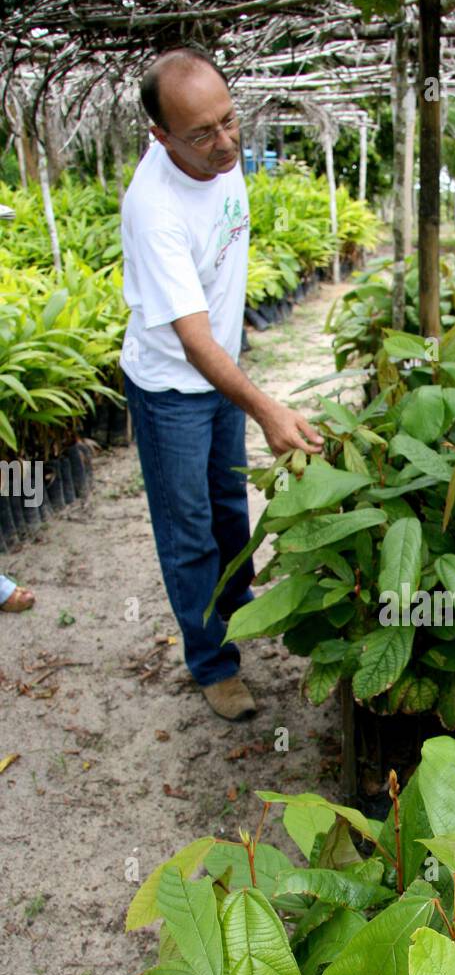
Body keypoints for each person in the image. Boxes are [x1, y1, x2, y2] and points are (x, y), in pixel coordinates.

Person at [119, 47, 323, 722]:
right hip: (170, 392)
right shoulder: (153, 208)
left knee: (231, 513)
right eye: (202, 134)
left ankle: (237, 619)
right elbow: (194, 338)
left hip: (217, 380)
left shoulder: (226, 163)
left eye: (229, 121)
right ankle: (212, 665)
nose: (224, 142)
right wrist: (264, 405)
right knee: (191, 533)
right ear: (161, 136)